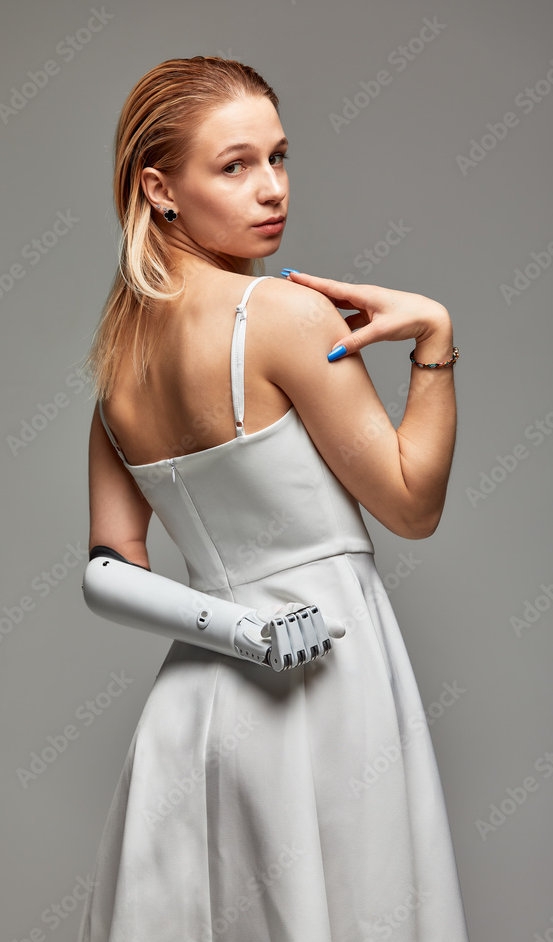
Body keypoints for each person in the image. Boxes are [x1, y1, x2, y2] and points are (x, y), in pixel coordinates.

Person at [76, 55, 470, 942]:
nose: (271, 189)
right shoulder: (284, 318)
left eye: (278, 158)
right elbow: (412, 504)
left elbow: (106, 571)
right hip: (327, 674)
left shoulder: (115, 374)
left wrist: (237, 630)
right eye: (235, 164)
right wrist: (434, 340)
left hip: (196, 706)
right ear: (159, 188)